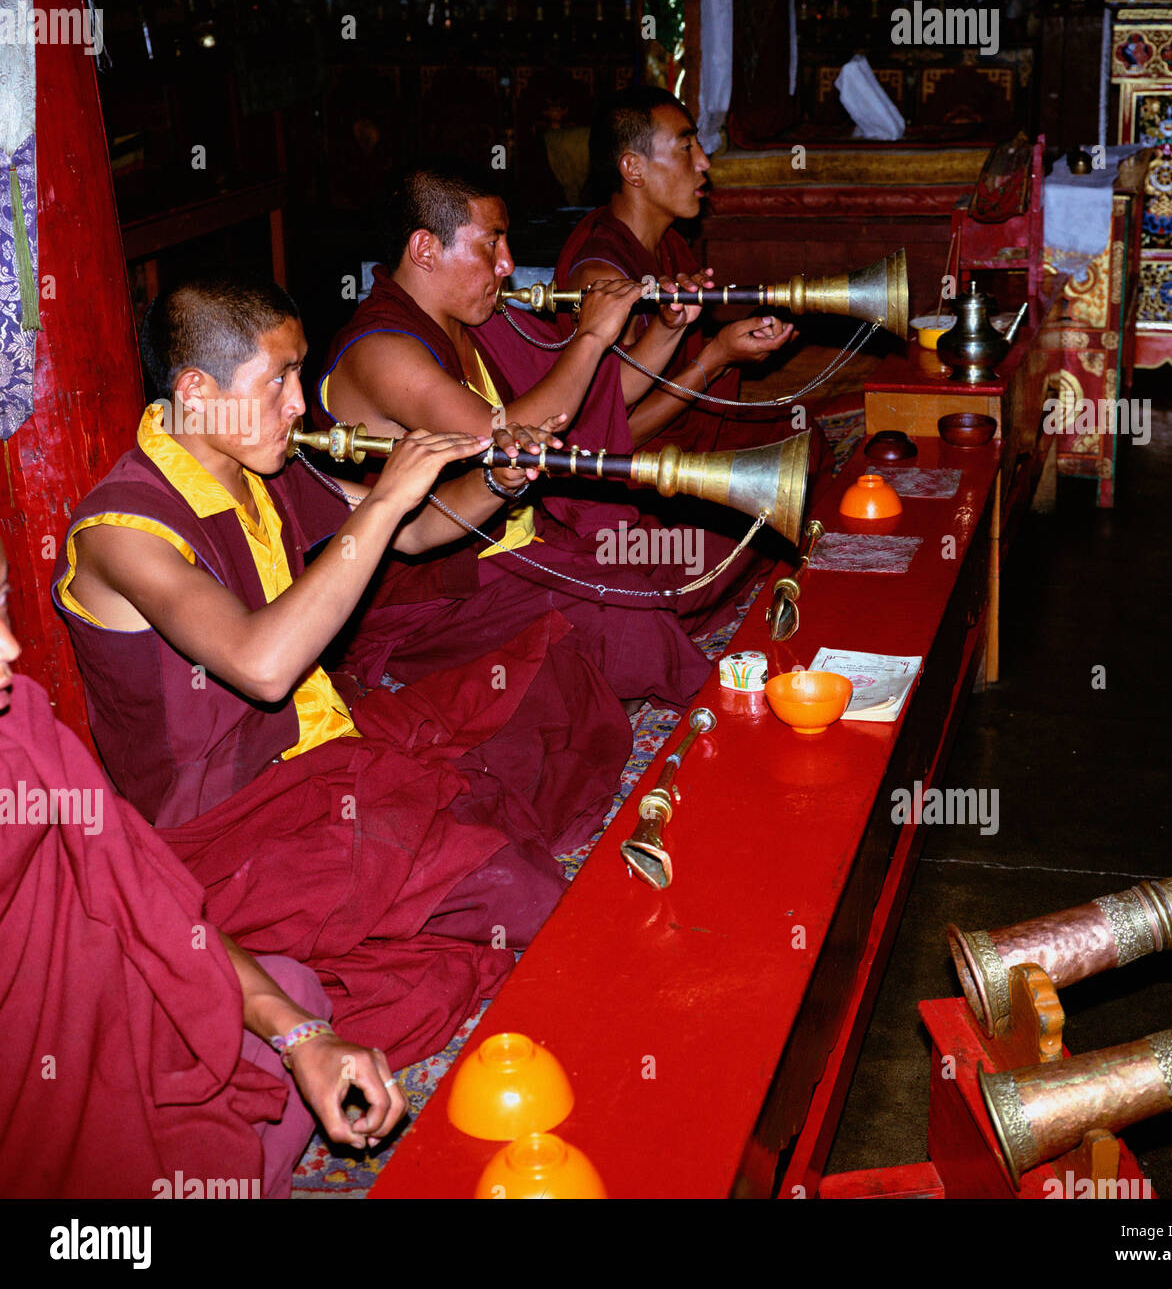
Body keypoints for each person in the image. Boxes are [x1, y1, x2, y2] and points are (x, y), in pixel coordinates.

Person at [52, 275, 631, 1069]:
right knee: (511, 902)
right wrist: (385, 502)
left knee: (543, 702)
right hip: (223, 818)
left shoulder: (256, 461)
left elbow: (419, 533)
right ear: (196, 391)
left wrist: (497, 478)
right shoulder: (122, 530)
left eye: (299, 375)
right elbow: (261, 667)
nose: (299, 405)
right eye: (279, 380)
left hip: (317, 750)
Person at [0, 536, 405, 1198]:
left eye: (1, 603)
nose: (11, 650)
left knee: (292, 994)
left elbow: (153, 911)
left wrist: (303, 1039)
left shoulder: (21, 733)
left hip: (108, 1039)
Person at [318, 166, 762, 707]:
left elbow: (594, 397)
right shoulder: (383, 351)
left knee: (714, 541)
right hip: (442, 586)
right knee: (634, 615)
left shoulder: (476, 319)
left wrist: (669, 329)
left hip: (528, 536)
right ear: (425, 248)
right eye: (491, 243)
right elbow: (506, 438)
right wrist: (594, 333)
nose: (506, 263)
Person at [554, 87, 799, 452]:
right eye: (686, 147)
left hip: (684, 439)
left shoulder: (669, 244)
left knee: (799, 437)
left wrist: (734, 349)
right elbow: (614, 433)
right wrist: (716, 359)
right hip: (639, 479)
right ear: (633, 168)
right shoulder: (600, 277)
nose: (704, 162)